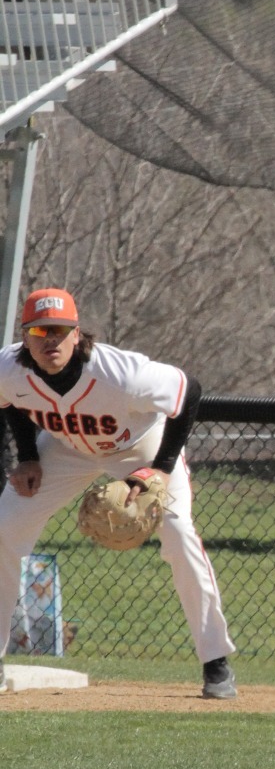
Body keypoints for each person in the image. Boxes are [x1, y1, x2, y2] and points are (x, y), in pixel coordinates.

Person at [0, 288, 237, 698]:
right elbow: (10, 400)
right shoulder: (9, 367)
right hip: (67, 449)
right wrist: (28, 456)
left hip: (140, 447)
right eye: (40, 331)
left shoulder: (121, 374)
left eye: (60, 330)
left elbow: (189, 391)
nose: (50, 340)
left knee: (178, 534)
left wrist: (160, 469)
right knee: (4, 528)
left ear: (77, 334)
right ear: (25, 336)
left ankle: (216, 661)